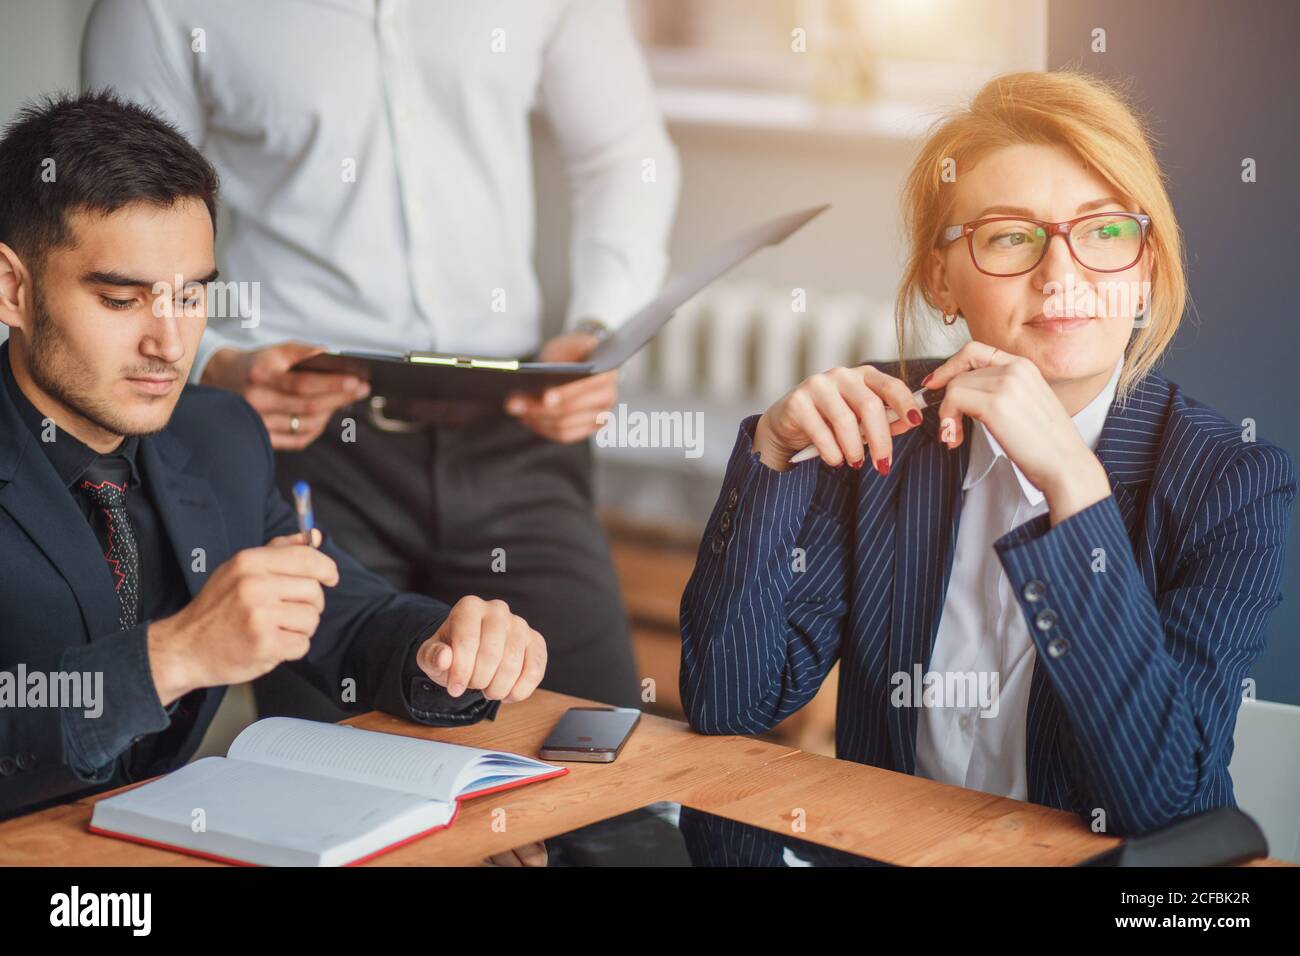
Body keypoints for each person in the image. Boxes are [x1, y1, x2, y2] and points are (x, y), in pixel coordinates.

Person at [678, 71, 1297, 837]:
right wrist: (772, 454)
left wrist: (1073, 485)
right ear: (942, 278)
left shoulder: (1232, 482)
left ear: (1144, 273)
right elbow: (728, 703)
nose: (1061, 276)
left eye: (1103, 232)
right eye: (1011, 236)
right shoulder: (887, 434)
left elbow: (1169, 808)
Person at [81, 0, 680, 716]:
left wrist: (598, 327)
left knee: (599, 753)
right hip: (304, 445)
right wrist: (212, 362)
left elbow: (626, 157)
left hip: (517, 437)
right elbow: (115, 220)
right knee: (342, 779)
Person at [0, 91, 546, 821]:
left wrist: (443, 649)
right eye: (123, 301)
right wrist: (174, 656)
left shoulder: (219, 435)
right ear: (13, 288)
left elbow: (346, 620)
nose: (169, 343)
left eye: (191, 296)